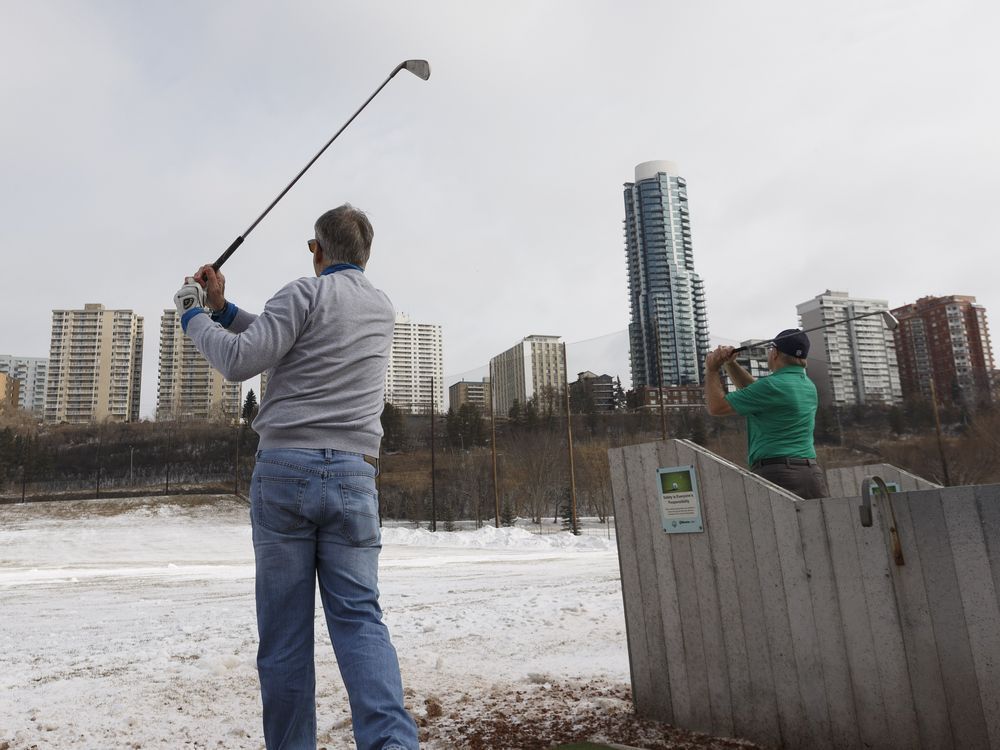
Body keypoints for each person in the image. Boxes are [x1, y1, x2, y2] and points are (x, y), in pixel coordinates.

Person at [173, 204, 419, 750]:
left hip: (286, 472)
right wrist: (222, 307)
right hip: (355, 477)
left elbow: (242, 361)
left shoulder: (301, 294)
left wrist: (193, 316)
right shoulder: (381, 308)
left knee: (285, 637)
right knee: (361, 622)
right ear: (365, 255)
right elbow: (278, 338)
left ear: (317, 250)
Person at [703, 329, 828, 499]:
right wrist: (730, 363)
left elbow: (716, 407)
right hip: (810, 473)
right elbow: (753, 391)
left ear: (775, 353)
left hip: (778, 473)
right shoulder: (807, 385)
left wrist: (712, 369)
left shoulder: (772, 386)